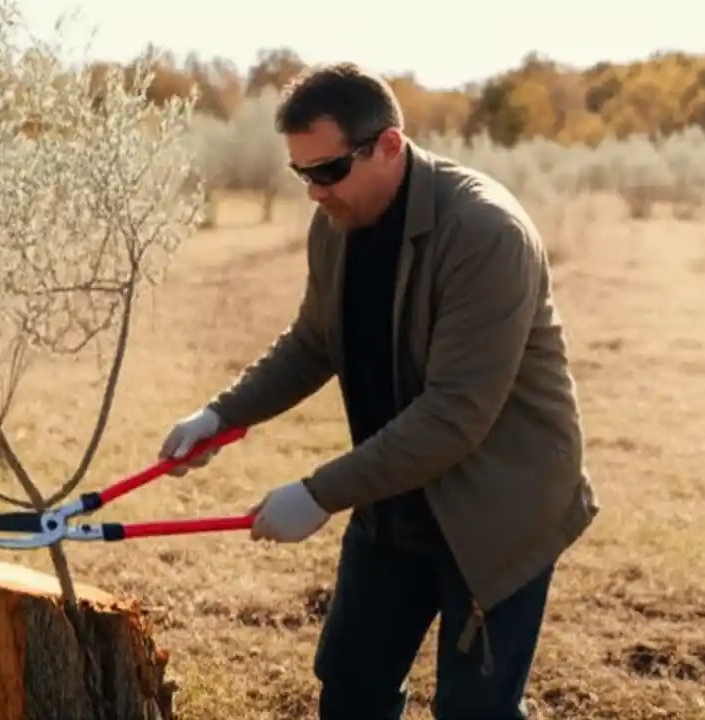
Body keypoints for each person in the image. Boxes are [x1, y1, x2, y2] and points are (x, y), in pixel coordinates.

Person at [158, 63, 599, 719]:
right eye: (302, 174)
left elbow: (453, 417)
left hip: (497, 511)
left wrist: (317, 493)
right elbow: (315, 340)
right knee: (351, 691)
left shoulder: (486, 234)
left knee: (474, 711)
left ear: (389, 145)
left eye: (330, 170)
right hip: (392, 498)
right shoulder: (337, 222)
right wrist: (222, 414)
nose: (316, 192)